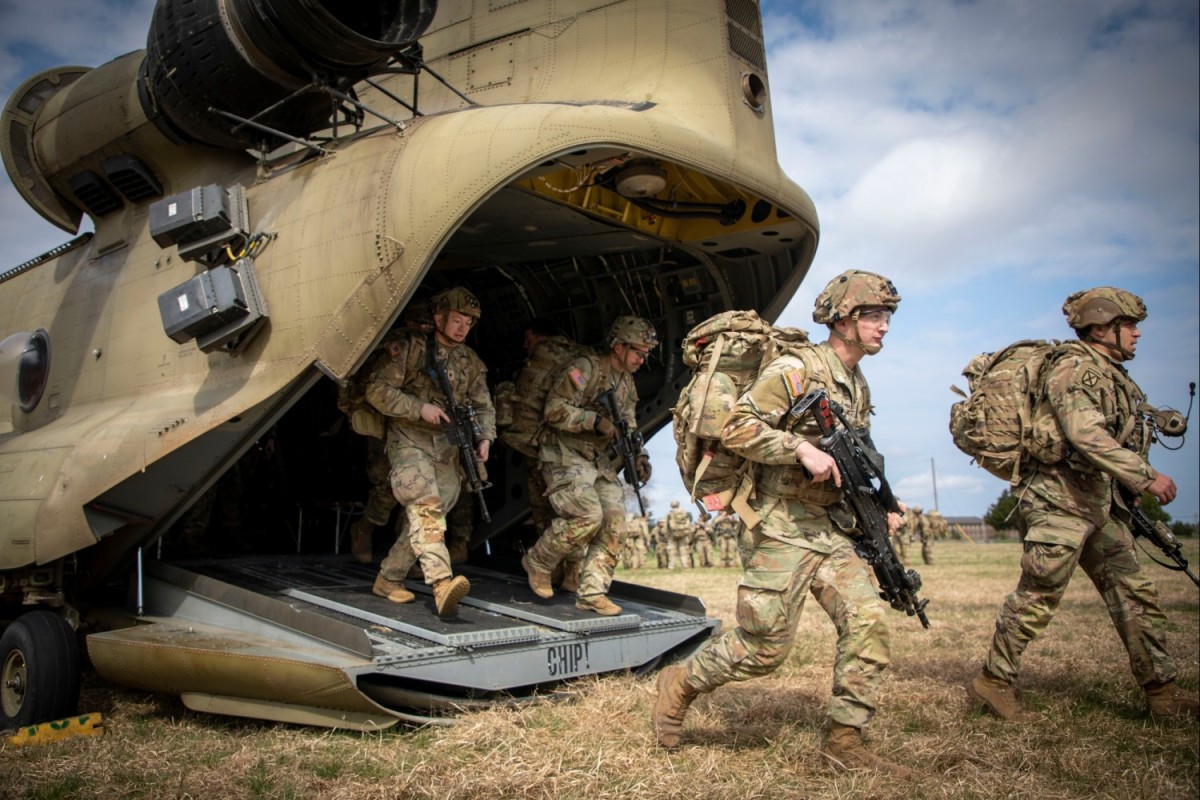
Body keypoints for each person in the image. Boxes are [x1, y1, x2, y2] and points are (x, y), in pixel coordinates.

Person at [653, 270, 912, 778]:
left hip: (830, 527)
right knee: (764, 647)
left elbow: (857, 455)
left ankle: (844, 743)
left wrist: (886, 502)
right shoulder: (797, 370)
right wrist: (798, 448)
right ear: (843, 319)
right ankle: (680, 684)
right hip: (780, 525)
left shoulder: (855, 381)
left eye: (887, 316)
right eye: (874, 315)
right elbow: (737, 427)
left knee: (869, 624)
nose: (884, 325)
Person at [968, 287, 1198, 721]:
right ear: (1100, 327)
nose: (1137, 334)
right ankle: (992, 683)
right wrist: (1146, 476)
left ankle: (1162, 694)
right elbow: (1084, 433)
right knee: (1039, 594)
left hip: (1098, 500)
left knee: (1134, 593)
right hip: (1059, 500)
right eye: (1128, 325)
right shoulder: (1076, 368)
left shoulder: (1111, 373)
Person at [364, 287, 495, 618]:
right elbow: (376, 390)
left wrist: (485, 437)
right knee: (426, 506)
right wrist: (418, 408)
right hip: (409, 438)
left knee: (433, 515)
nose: (463, 328)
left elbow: (483, 406)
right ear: (439, 318)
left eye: (468, 323)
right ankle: (441, 583)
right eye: (457, 320)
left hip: (447, 447)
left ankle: (388, 577)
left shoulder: (470, 361)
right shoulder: (410, 348)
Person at [520, 316, 656, 615]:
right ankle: (539, 561)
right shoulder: (585, 369)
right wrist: (592, 420)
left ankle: (592, 592)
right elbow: (554, 410)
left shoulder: (626, 382)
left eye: (645, 354)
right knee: (587, 516)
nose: (641, 359)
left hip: (596, 459)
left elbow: (629, 425)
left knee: (615, 524)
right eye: (637, 352)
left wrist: (639, 456)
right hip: (565, 452)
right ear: (618, 346)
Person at [497, 318, 587, 591]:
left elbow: (525, 400)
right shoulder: (582, 358)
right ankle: (571, 573)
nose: (526, 347)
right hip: (573, 448)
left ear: (538, 336)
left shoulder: (541, 355)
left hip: (541, 447)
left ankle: (554, 570)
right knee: (573, 511)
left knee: (544, 509)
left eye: (528, 340)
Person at [664, 500, 693, 570]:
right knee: (683, 551)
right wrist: (688, 533)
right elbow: (688, 523)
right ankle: (685, 566)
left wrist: (666, 534)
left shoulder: (669, 513)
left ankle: (671, 566)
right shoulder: (684, 512)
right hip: (683, 534)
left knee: (671, 552)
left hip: (672, 534)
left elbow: (666, 525)